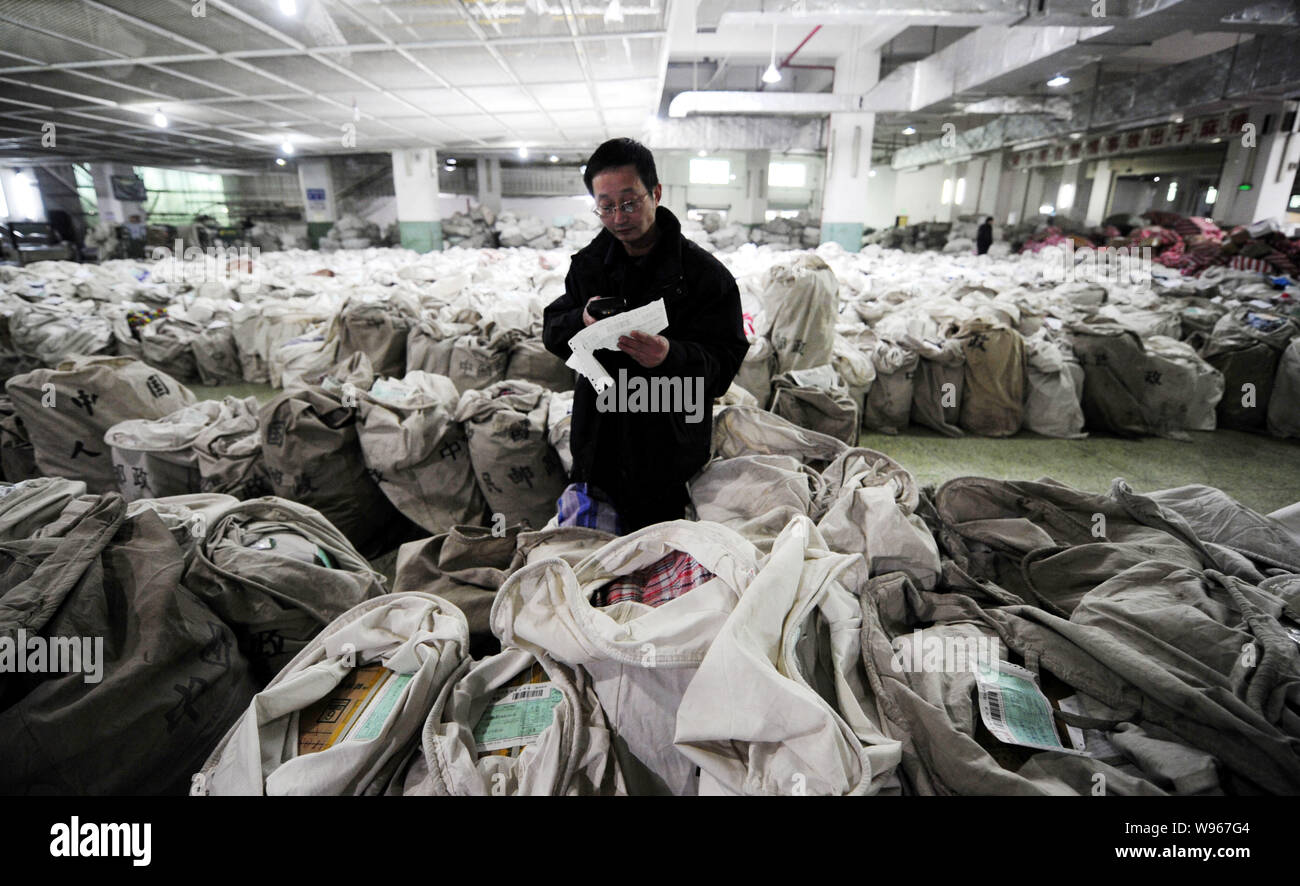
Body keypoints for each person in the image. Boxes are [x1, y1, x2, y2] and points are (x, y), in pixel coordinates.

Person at [543, 138, 748, 532]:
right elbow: (553, 330)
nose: (618, 216)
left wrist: (670, 355)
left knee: (659, 552)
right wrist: (581, 320)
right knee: (595, 555)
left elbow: (724, 362)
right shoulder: (588, 267)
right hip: (599, 448)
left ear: (655, 193)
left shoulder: (704, 276)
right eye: (606, 206)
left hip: (668, 454)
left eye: (629, 202)